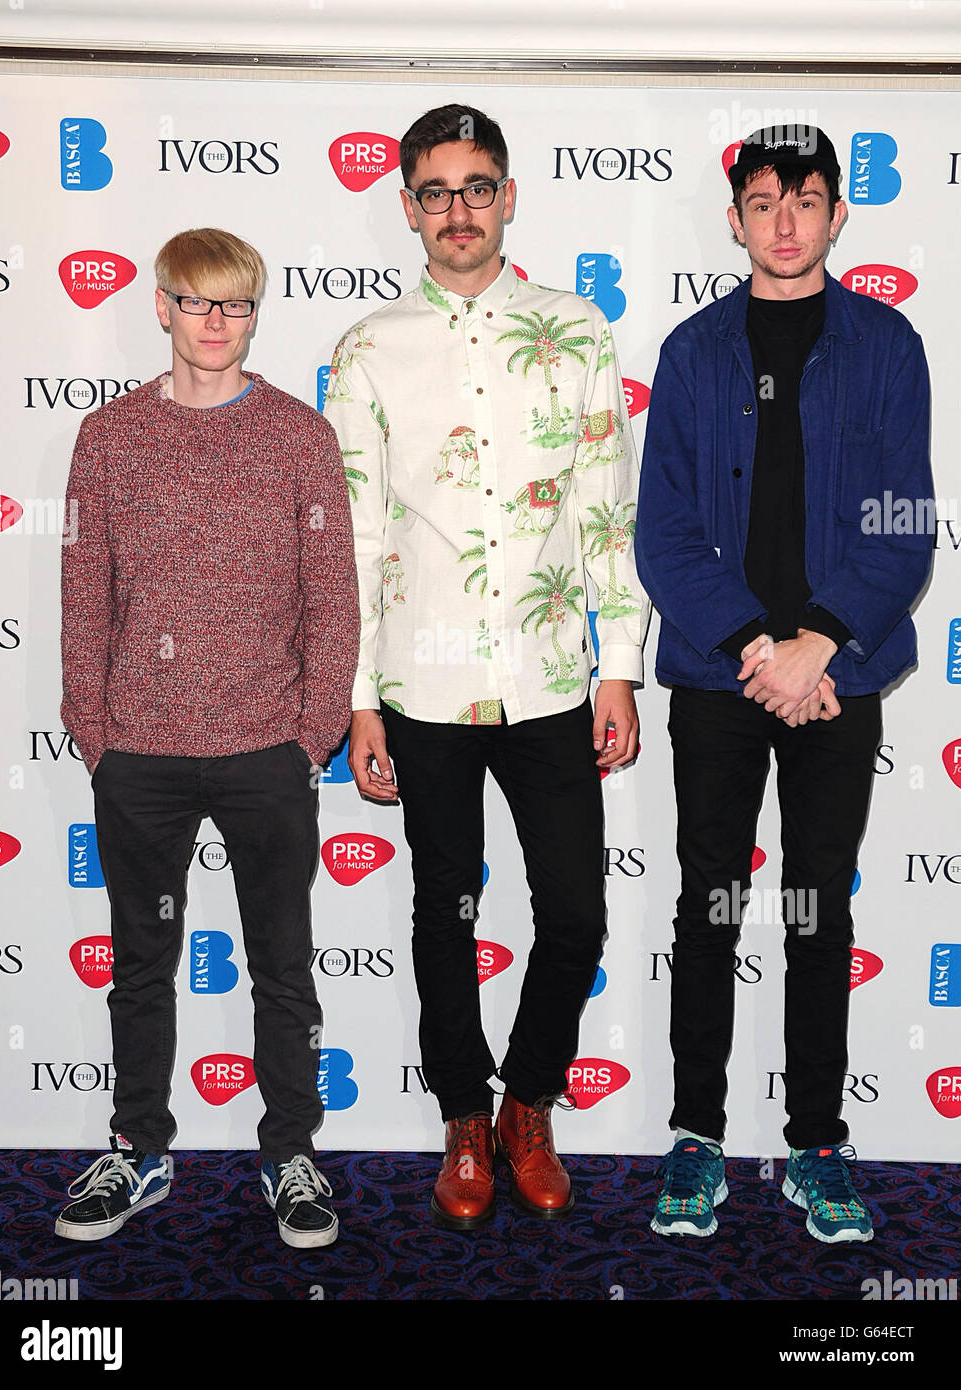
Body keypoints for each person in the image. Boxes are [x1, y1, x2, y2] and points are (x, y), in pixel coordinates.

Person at [324, 104, 648, 1228]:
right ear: (406, 204)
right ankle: (464, 1115)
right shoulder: (366, 350)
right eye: (434, 191)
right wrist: (358, 697)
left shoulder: (579, 330)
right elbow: (360, 534)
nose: (457, 210)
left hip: (556, 675)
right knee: (443, 909)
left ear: (509, 195)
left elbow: (608, 515)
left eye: (477, 186)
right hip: (421, 684)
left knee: (574, 911)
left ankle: (529, 1101)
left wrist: (619, 667)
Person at [635, 127, 933, 1243]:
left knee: (820, 905)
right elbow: (661, 532)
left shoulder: (888, 344)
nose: (785, 221)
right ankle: (696, 1137)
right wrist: (762, 647)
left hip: (839, 678)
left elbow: (903, 525)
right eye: (763, 202)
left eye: (805, 199)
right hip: (724, 674)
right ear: (735, 219)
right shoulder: (693, 350)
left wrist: (819, 647)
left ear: (836, 212)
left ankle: (817, 1142)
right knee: (708, 904)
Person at [57, 227, 359, 1248]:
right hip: (138, 752)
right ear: (162, 307)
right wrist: (94, 733)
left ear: (254, 314)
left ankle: (290, 1154)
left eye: (235, 304)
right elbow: (81, 596)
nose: (216, 322)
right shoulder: (106, 437)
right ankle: (138, 1148)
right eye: (197, 303)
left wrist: (312, 734)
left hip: (268, 749)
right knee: (141, 961)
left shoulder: (298, 436)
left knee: (284, 963)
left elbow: (335, 603)